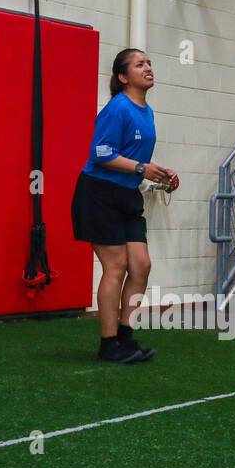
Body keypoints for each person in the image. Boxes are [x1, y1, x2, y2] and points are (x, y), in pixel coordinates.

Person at [71, 48, 179, 363]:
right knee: (115, 267)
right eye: (139, 64)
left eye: (149, 63)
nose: (148, 68)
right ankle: (108, 346)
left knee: (141, 265)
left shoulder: (147, 111)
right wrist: (142, 168)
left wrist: (158, 172)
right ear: (123, 76)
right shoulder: (117, 109)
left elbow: (134, 159)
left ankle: (125, 338)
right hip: (99, 195)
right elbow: (102, 155)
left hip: (128, 196)